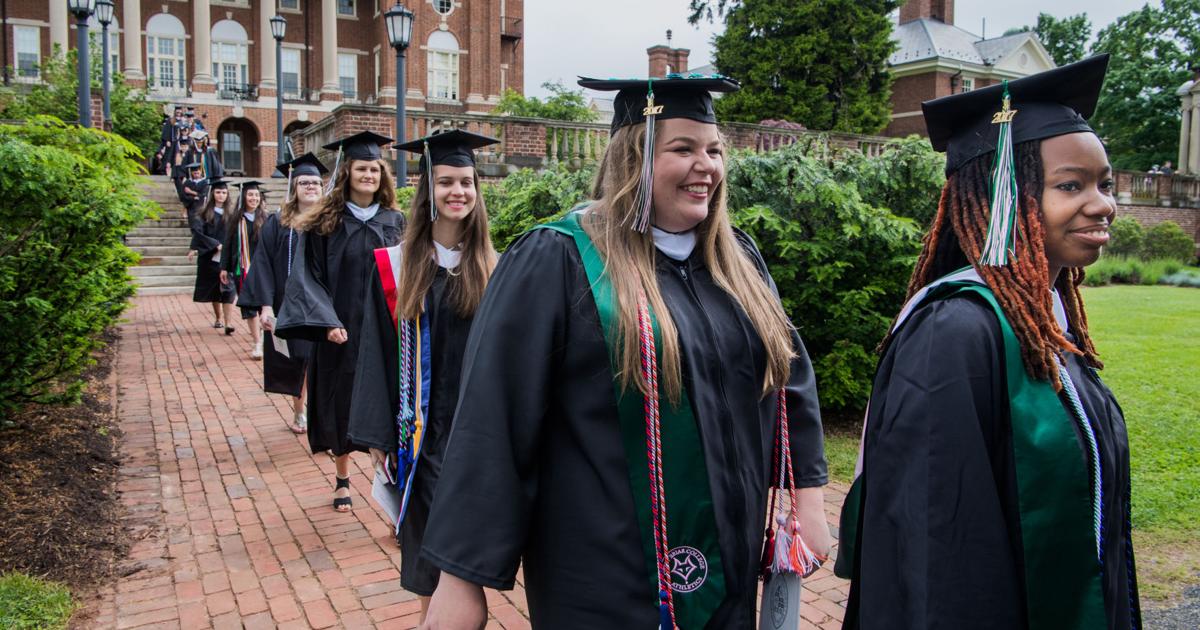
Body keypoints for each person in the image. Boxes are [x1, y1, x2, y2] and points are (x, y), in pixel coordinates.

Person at [419, 75, 831, 629]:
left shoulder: (736, 262)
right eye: (682, 148)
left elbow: (787, 377)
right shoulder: (560, 260)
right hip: (603, 575)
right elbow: (494, 419)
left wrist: (808, 497)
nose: (706, 165)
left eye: (714, 150)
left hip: (727, 563)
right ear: (634, 159)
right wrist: (459, 578)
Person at [838, 55, 1140, 630]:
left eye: (1104, 183)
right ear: (1005, 196)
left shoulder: (1043, 321)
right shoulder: (954, 332)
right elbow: (936, 552)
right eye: (1070, 185)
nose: (1103, 204)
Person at [346, 130, 499, 616]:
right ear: (426, 191)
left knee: (467, 565)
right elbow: (374, 350)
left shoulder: (495, 268)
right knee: (429, 564)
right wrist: (377, 436)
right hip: (422, 438)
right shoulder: (395, 268)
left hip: (477, 438)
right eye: (447, 182)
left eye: (468, 183)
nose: (459, 192)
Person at [275, 131, 405, 512]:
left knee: (393, 406)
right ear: (347, 172)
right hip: (340, 331)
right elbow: (307, 277)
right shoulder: (324, 223)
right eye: (362, 168)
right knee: (340, 402)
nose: (369, 175)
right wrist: (325, 321)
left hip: (386, 331)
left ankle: (393, 489)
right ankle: (343, 477)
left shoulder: (395, 220)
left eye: (375, 169)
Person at [240, 155, 326, 434]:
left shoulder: (330, 221)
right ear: (294, 186)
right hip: (285, 305)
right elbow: (262, 263)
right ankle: (299, 409)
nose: (311, 186)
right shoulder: (277, 223)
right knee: (295, 360)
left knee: (320, 363)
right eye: (305, 182)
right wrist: (266, 306)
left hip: (323, 307)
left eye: (315, 182)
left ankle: (317, 415)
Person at [220, 181, 266, 359]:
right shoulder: (235, 220)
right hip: (242, 270)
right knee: (249, 306)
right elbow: (228, 243)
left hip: (262, 269)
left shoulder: (267, 218)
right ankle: (257, 342)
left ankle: (263, 336)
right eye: (250, 195)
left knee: (265, 305)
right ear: (244, 197)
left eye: (256, 195)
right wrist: (224, 267)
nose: (254, 198)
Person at [188, 176, 237, 330]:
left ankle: (229, 323)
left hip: (227, 256)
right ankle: (218, 318)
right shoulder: (204, 213)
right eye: (218, 192)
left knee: (228, 289)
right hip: (210, 256)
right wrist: (215, 245)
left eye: (224, 192)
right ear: (212, 194)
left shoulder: (232, 213)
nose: (221, 195)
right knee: (215, 289)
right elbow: (198, 233)